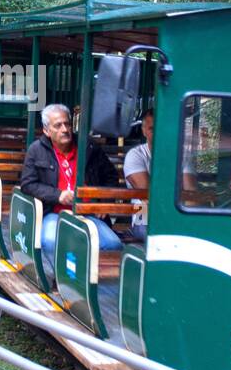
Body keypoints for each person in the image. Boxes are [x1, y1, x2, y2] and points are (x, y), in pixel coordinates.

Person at [20, 103, 122, 268]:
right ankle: (62, 280)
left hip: (88, 214)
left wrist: (104, 203)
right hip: (53, 213)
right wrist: (57, 195)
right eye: (58, 125)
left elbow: (111, 177)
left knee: (113, 244)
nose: (65, 129)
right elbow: (27, 184)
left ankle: (85, 280)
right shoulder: (36, 150)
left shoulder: (89, 147)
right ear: (46, 130)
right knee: (50, 241)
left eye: (67, 123)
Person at [123, 109, 154, 240]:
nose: (158, 133)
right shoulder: (136, 155)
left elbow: (190, 194)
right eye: (152, 129)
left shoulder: (182, 156)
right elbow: (147, 196)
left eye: (161, 127)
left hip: (174, 211)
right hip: (143, 211)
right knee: (147, 233)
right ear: (144, 131)